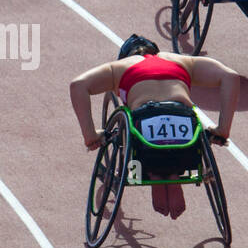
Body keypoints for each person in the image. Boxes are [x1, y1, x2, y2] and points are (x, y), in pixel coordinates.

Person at [70, 35, 239, 220]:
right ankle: (173, 173)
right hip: (185, 130)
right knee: (180, 133)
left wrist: (91, 136)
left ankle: (153, 174)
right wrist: (222, 130)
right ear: (155, 52)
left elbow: (78, 85)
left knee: (131, 127)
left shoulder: (120, 67)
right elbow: (230, 76)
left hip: (144, 131)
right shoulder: (181, 61)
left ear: (126, 56)